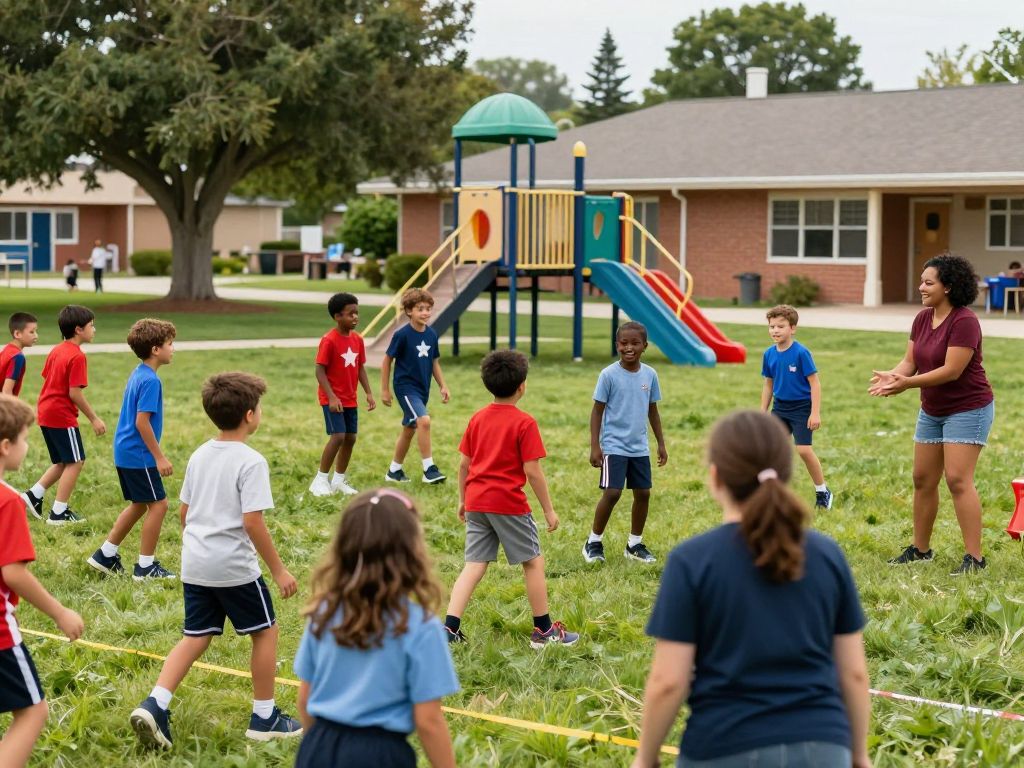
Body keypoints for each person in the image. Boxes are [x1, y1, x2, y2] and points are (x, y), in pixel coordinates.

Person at [632, 410, 871, 768]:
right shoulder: (827, 555)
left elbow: (669, 681)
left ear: (715, 478)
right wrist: (858, 754)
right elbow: (853, 673)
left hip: (722, 745)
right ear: (787, 474)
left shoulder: (691, 561)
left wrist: (645, 758)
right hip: (824, 745)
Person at [130, 372, 302, 749]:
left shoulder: (199, 454)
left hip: (196, 563)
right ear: (251, 415)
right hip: (233, 567)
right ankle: (265, 716)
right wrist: (279, 569)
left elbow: (184, 513)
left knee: (196, 636)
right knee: (266, 631)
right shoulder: (252, 461)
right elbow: (252, 522)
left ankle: (155, 703)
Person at [293, 488, 459, 768]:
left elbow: (305, 699)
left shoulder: (324, 612)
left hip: (319, 746)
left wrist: (320, 748)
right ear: (411, 552)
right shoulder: (420, 626)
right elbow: (428, 721)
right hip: (380, 755)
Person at [443, 350, 579, 649]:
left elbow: (464, 465)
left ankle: (449, 628)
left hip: (477, 501)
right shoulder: (525, 423)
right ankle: (544, 631)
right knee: (533, 562)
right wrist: (549, 510)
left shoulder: (477, 418)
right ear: (522, 386)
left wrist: (463, 499)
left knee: (474, 564)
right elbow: (532, 470)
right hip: (507, 503)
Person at [870, 253, 994, 575]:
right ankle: (921, 550)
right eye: (921, 281)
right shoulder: (922, 319)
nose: (921, 287)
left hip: (969, 407)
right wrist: (894, 376)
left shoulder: (965, 321)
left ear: (948, 287)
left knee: (957, 479)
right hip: (933, 409)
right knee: (923, 478)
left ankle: (975, 559)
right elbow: (910, 360)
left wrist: (907, 384)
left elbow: (952, 371)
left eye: (928, 282)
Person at [0, 394, 85, 768]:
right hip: (0, 635)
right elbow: (13, 572)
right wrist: (60, 612)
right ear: (5, 446)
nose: (28, 446)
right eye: (24, 437)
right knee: (32, 712)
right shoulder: (8, 501)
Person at [87, 319, 177, 580]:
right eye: (170, 344)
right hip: (139, 454)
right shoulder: (150, 381)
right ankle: (146, 567)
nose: (173, 348)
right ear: (155, 349)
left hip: (125, 451)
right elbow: (142, 422)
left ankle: (105, 554)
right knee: (159, 506)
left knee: (140, 504)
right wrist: (159, 457)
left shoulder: (139, 372)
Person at [583, 321, 667, 565]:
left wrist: (660, 443)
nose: (629, 347)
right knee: (612, 492)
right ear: (616, 344)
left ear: (645, 346)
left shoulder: (650, 375)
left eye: (634, 343)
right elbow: (597, 411)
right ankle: (593, 542)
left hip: (639, 446)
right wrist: (595, 446)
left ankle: (634, 544)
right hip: (614, 445)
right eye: (623, 343)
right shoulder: (608, 375)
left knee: (643, 493)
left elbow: (653, 411)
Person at [21, 305, 106, 525]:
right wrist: (94, 418)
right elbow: (74, 392)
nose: (94, 329)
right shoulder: (77, 356)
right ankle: (59, 513)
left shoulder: (57, 350)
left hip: (46, 411)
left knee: (62, 461)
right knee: (76, 461)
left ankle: (33, 496)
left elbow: (47, 378)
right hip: (61, 414)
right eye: (91, 325)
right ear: (79, 329)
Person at [761, 304, 833, 510]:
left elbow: (815, 383)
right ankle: (772, 493)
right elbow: (768, 385)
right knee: (773, 450)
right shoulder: (768, 354)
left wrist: (815, 412)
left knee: (803, 450)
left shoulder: (801, 353)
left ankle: (822, 491)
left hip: (802, 408)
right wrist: (762, 412)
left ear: (792, 328)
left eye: (780, 326)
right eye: (772, 326)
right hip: (780, 407)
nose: (775, 330)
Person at [381, 289, 450, 485]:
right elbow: (387, 361)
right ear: (409, 311)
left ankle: (394, 471)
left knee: (410, 428)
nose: (426, 313)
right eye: (421, 309)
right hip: (405, 387)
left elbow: (434, 362)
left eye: (428, 309)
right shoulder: (401, 335)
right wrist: (385, 390)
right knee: (424, 421)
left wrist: (443, 385)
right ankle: (429, 469)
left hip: (422, 389)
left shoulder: (431, 334)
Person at [309, 293, 375, 498]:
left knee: (350, 438)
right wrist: (331, 397)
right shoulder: (329, 340)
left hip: (350, 398)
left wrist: (369, 393)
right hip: (332, 399)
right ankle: (320, 480)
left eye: (357, 313)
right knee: (337, 436)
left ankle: (338, 481)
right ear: (337, 316)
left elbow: (360, 368)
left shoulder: (357, 339)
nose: (355, 317)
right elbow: (319, 370)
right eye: (350, 314)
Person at [1, 313, 38, 397]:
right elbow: (6, 392)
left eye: (36, 331)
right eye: (31, 332)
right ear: (17, 334)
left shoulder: (7, 350)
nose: (36, 336)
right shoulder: (17, 357)